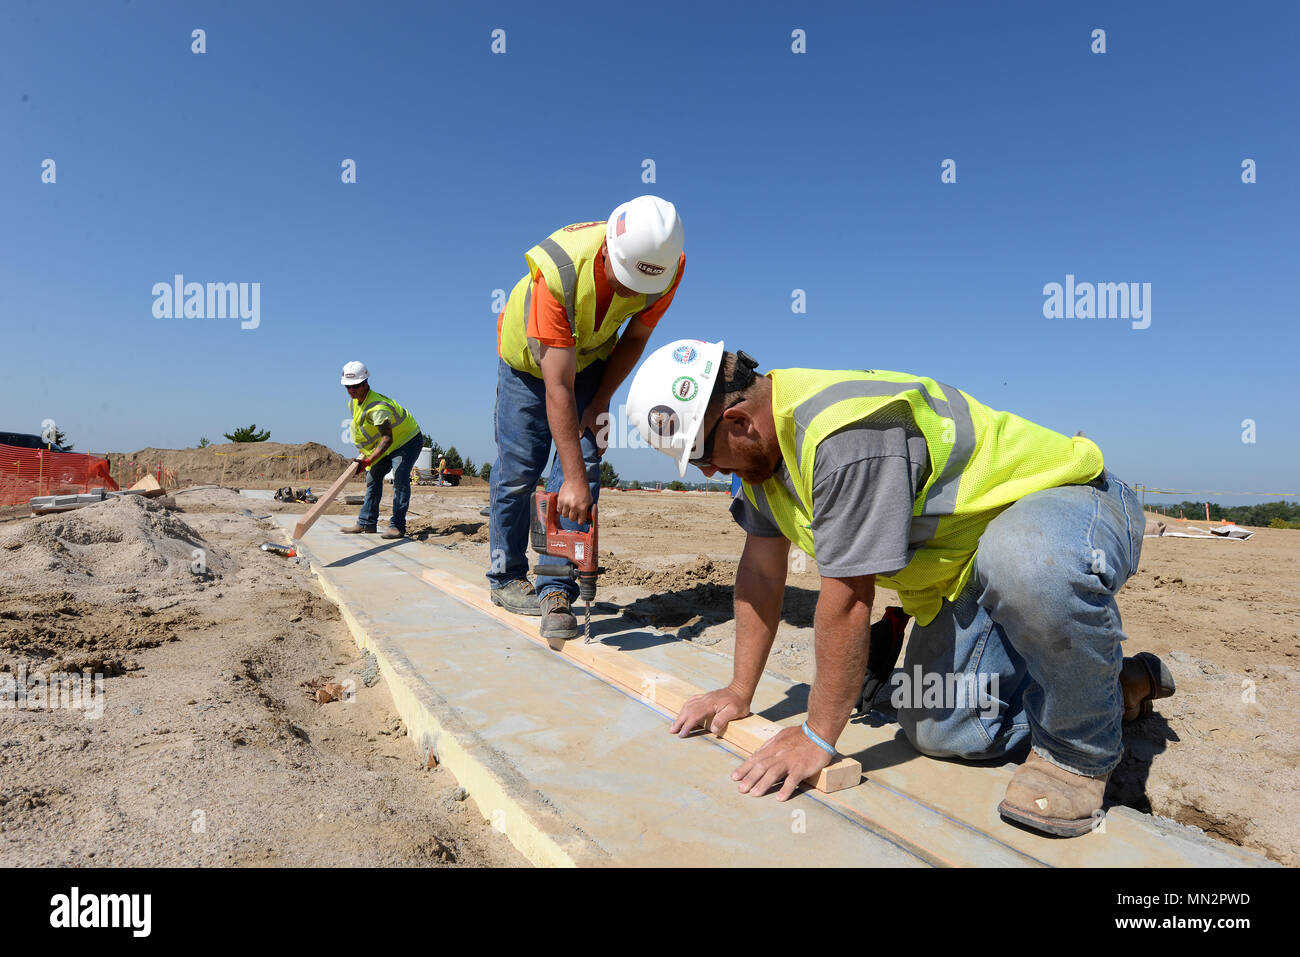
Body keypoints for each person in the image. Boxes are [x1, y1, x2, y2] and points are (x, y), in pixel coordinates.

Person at [625, 339, 1175, 838]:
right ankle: (1113, 684)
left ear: (739, 421)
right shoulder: (761, 466)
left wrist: (818, 736)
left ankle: (1078, 752)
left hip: (1069, 508)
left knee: (1024, 559)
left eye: (701, 456)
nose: (703, 473)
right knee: (943, 732)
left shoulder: (846, 437)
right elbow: (762, 573)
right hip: (964, 576)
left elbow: (847, 599)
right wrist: (737, 691)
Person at [488, 196, 685, 640]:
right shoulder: (559, 273)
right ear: (608, 250)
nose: (634, 294)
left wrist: (600, 403)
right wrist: (571, 476)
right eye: (626, 279)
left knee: (584, 466)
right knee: (520, 471)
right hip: (528, 360)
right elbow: (557, 386)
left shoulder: (664, 265)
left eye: (642, 285)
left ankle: (556, 587)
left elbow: (634, 338)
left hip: (590, 356)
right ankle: (505, 577)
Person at [339, 361, 423, 540]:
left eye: (355, 386)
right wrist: (366, 455)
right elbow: (366, 430)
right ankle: (366, 523)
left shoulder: (378, 407)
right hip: (387, 444)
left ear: (365, 383)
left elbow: (387, 438)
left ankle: (397, 526)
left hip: (406, 441)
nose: (351, 390)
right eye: (348, 387)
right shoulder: (353, 403)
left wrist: (368, 461)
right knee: (373, 477)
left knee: (400, 478)